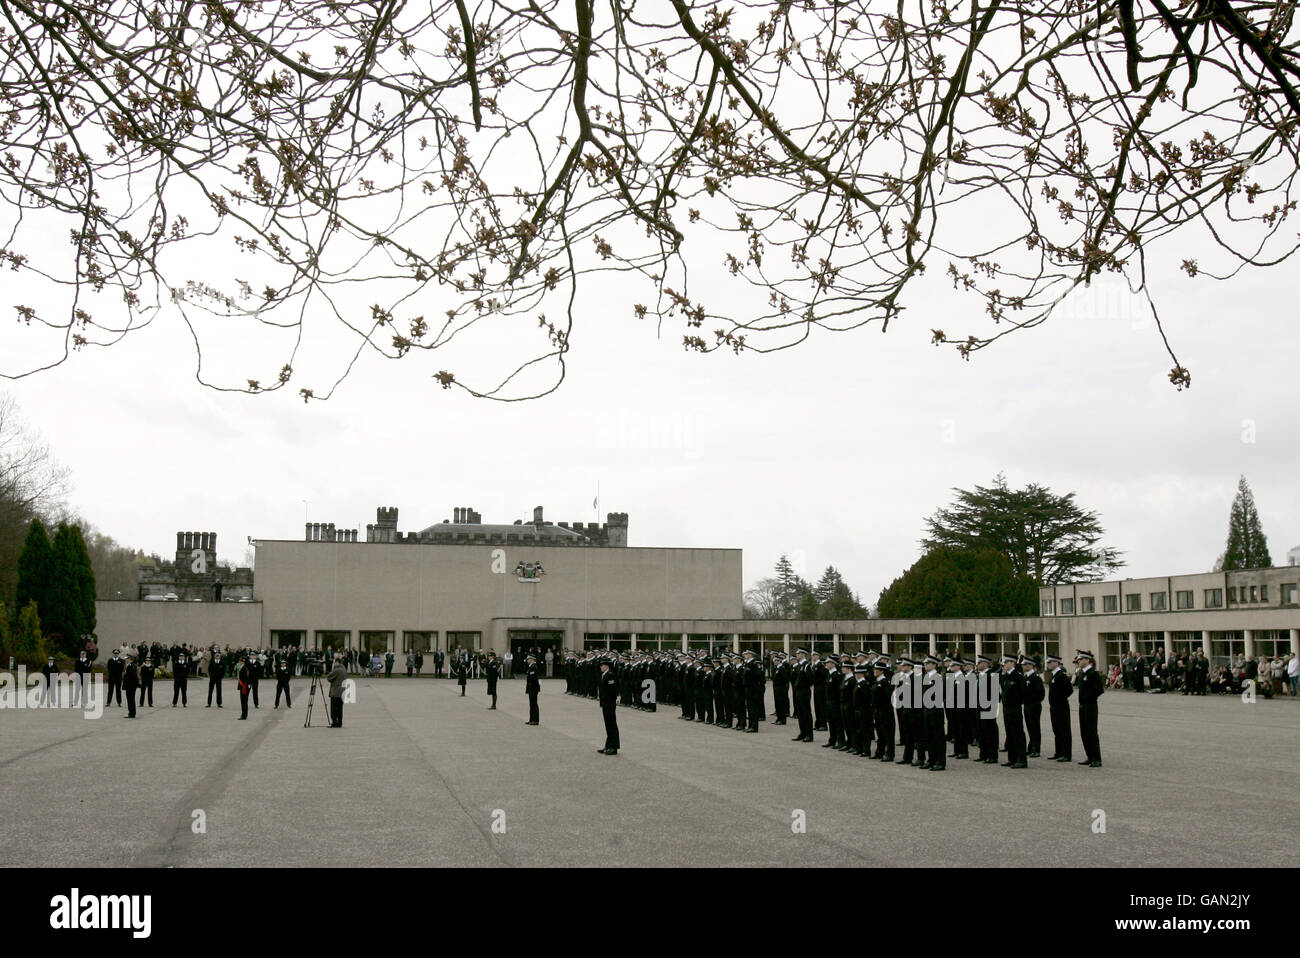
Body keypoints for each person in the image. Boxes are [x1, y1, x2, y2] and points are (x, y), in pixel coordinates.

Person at [1074, 650, 1104, 767]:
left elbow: (1099, 690)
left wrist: (1089, 698)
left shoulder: (1093, 674)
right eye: (1079, 659)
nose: (1079, 661)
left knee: (1091, 732)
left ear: (1087, 660)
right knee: (1084, 732)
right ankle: (1090, 756)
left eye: (1081, 659)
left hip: (1090, 705)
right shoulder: (1081, 673)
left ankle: (1096, 758)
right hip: (1082, 706)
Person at [999, 654, 1027, 768]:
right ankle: (1012, 758)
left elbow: (1023, 692)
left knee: (1017, 733)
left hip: (1015, 708)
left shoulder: (1018, 676)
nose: (1003, 665)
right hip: (1006, 709)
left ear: (1012, 663)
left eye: (1005, 663)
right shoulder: (1005, 676)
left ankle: (1021, 759)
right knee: (1009, 734)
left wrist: (1015, 702)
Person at [1020, 654, 1043, 757]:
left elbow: (1040, 693)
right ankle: (1031, 747)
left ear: (1030, 665)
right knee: (1030, 727)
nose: (1023, 666)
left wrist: (1032, 701)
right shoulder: (1026, 677)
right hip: (1027, 705)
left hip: (1033, 705)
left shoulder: (1035, 678)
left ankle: (1036, 749)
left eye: (1025, 665)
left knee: (1034, 727)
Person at [597, 656, 620, 754]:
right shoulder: (604, 675)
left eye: (602, 665)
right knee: (608, 725)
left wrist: (612, 701)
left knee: (611, 725)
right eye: (600, 665)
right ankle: (608, 745)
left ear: (607, 666)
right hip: (605, 703)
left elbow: (613, 690)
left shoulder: (610, 675)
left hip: (609, 703)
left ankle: (614, 747)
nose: (600, 667)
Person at [791, 648, 814, 741]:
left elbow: (811, 679)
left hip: (804, 691)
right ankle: (802, 732)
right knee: (800, 713)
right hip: (798, 691)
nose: (797, 655)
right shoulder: (799, 665)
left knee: (806, 713)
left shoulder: (806, 666)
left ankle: (809, 734)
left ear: (803, 654)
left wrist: (804, 685)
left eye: (798, 653)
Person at [327, 656, 347, 727]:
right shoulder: (344, 669)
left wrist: (333, 669)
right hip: (342, 692)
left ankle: (334, 722)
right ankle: (340, 722)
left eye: (334, 662)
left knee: (334, 708)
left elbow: (329, 677)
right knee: (340, 708)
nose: (333, 664)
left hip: (335, 692)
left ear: (337, 662)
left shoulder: (336, 670)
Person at [524, 654, 541, 725]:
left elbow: (533, 679)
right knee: (531, 704)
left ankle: (535, 720)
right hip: (531, 687)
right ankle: (531, 719)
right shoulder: (531, 667)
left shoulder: (534, 667)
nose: (527, 660)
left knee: (534, 704)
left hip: (533, 688)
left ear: (532, 659)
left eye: (528, 659)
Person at [123, 653, 139, 719]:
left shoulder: (132, 665)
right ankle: (131, 712)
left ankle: (132, 713)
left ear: (129, 659)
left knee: (131, 699)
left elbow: (134, 676)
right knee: (129, 699)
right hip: (129, 685)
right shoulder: (128, 665)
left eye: (126, 659)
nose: (125, 660)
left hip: (131, 686)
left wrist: (135, 685)